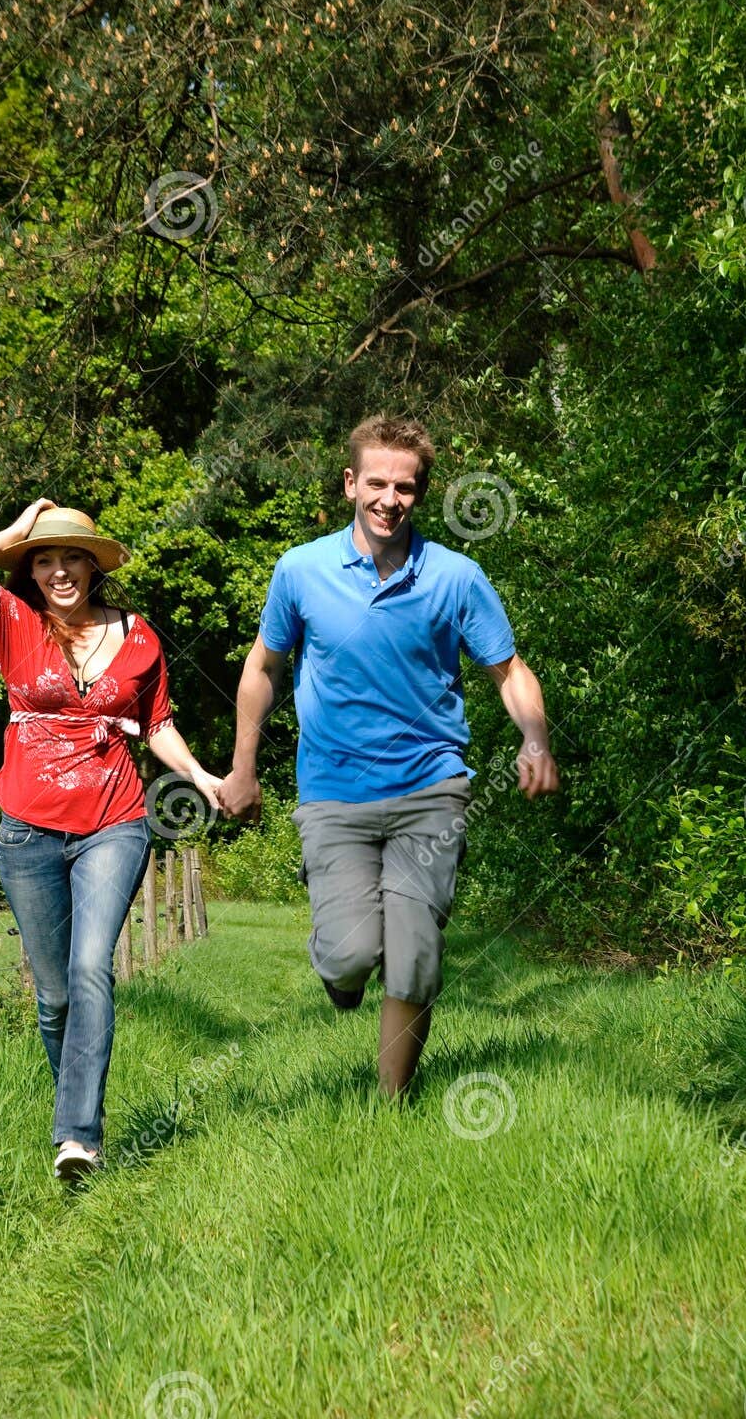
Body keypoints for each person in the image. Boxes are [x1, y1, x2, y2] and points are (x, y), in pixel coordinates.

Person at [218, 417, 559, 1098]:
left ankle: (388, 1108)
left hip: (431, 790)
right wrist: (242, 766)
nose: (387, 499)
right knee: (350, 954)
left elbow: (509, 670)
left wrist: (534, 739)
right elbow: (263, 666)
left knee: (413, 957)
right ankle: (341, 979)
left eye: (404, 487)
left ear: (420, 496)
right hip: (332, 793)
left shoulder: (455, 577)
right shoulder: (301, 570)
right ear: (350, 484)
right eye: (375, 482)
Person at [0, 500, 222, 1179]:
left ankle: (78, 1138)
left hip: (114, 820)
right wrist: (14, 533)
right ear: (29, 569)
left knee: (92, 967)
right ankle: (73, 1105)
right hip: (27, 826)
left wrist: (198, 773)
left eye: (71, 556)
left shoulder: (140, 636)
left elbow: (156, 725)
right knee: (56, 994)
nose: (58, 569)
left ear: (94, 564)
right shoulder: (12, 622)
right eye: (44, 558)